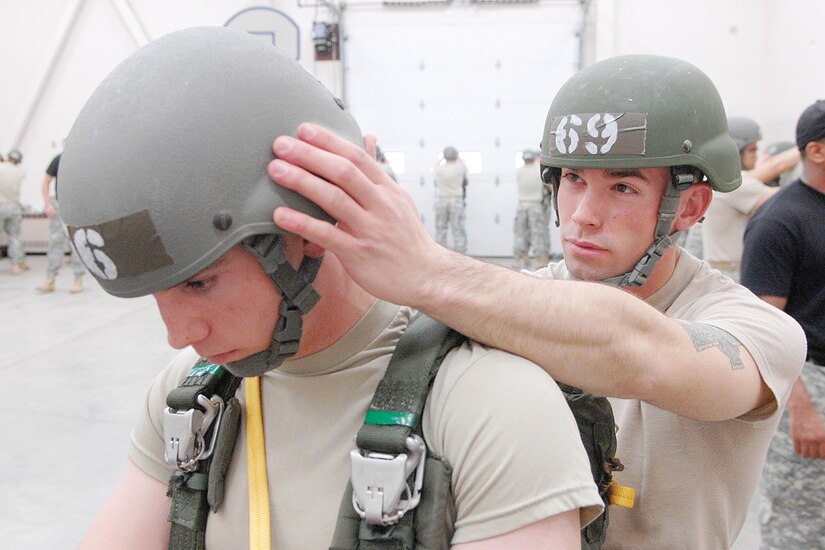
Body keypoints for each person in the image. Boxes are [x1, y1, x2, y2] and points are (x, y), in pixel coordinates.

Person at [61, 27, 602, 549]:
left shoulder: (492, 409)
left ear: (308, 224)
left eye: (201, 282)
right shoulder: (191, 397)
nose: (179, 334)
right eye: (158, 294)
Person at [268, 54, 807, 549]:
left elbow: (639, 352)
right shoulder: (507, 306)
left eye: (623, 188)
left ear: (688, 207)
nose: (583, 215)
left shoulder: (754, 329)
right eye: (572, 179)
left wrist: (429, 270)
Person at [740, 99, 825, 549]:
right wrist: (801, 409)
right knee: (801, 525)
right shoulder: (779, 220)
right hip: (807, 380)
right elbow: (764, 332)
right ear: (817, 150)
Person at [701, 116, 800, 281]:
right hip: (734, 273)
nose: (756, 156)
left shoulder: (722, 180)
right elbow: (789, 197)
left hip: (725, 272)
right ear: (736, 150)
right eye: (752, 150)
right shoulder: (734, 184)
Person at [37, 152, 85, 293]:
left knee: (77, 244)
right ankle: (50, 278)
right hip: (59, 206)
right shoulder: (59, 159)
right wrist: (48, 204)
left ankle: (78, 279)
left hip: (77, 208)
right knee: (55, 242)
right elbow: (46, 181)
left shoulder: (82, 158)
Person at [512, 149, 551, 270]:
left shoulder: (519, 171)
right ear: (534, 158)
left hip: (522, 205)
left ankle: (518, 260)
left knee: (520, 233)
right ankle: (540, 261)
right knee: (537, 233)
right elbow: (549, 188)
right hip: (536, 205)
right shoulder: (538, 170)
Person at [433, 146, 468, 253]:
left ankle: (440, 255)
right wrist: (459, 157)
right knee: (458, 230)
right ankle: (461, 256)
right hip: (456, 201)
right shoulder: (460, 168)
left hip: (441, 200)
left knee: (440, 230)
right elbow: (464, 166)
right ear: (455, 155)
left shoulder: (439, 168)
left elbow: (435, 164)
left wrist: (442, 158)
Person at [0, 150, 30, 275]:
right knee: (15, 237)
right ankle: (16, 265)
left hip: (1, 205)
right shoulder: (20, 171)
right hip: (14, 206)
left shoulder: (1, 168)